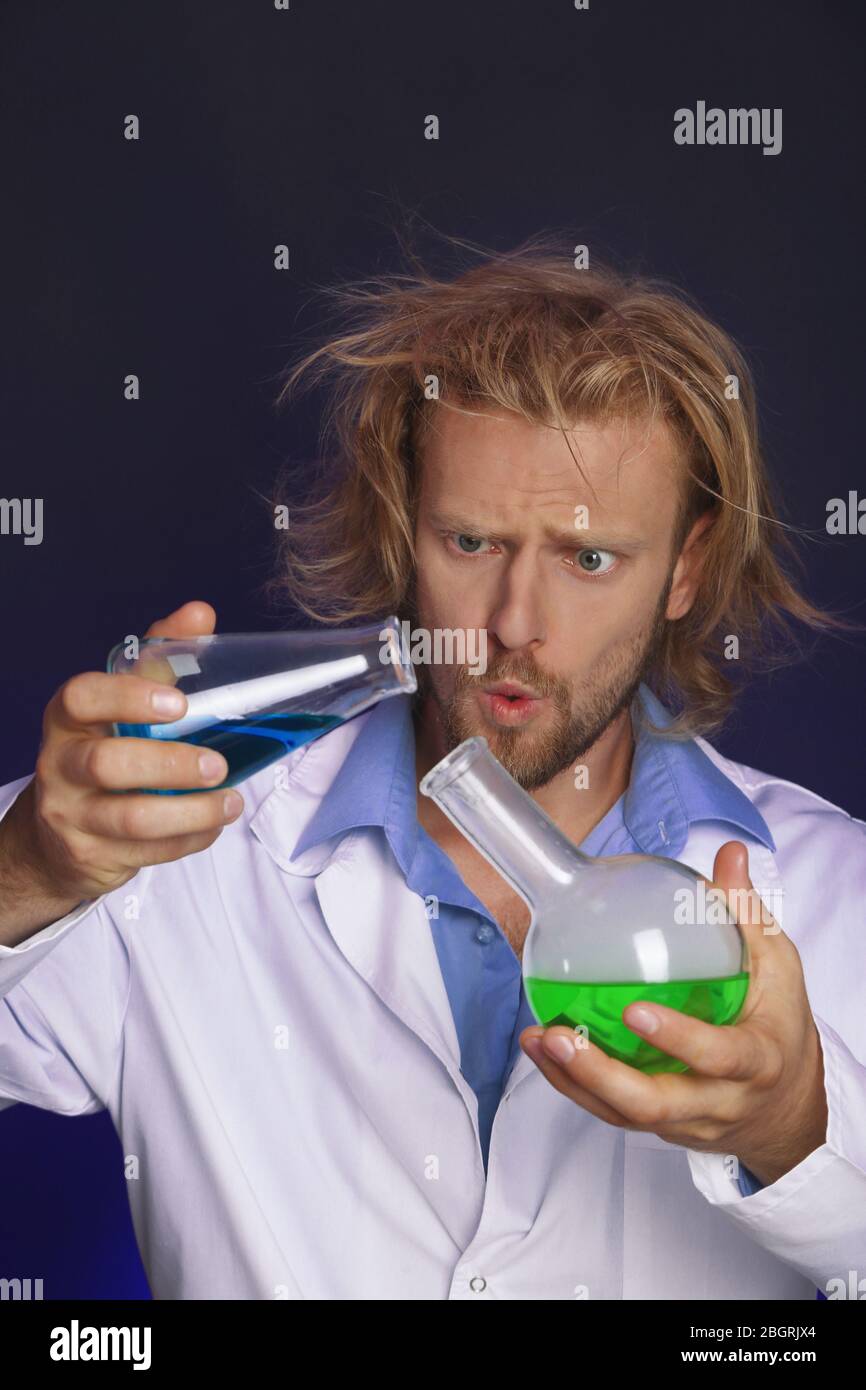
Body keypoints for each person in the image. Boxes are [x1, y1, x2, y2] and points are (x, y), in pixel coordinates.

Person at [1, 242, 864, 1300]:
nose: (514, 625)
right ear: (404, 528)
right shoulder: (164, 846)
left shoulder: (833, 893)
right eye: (468, 541)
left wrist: (789, 1131)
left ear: (683, 568)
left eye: (587, 559)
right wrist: (30, 869)